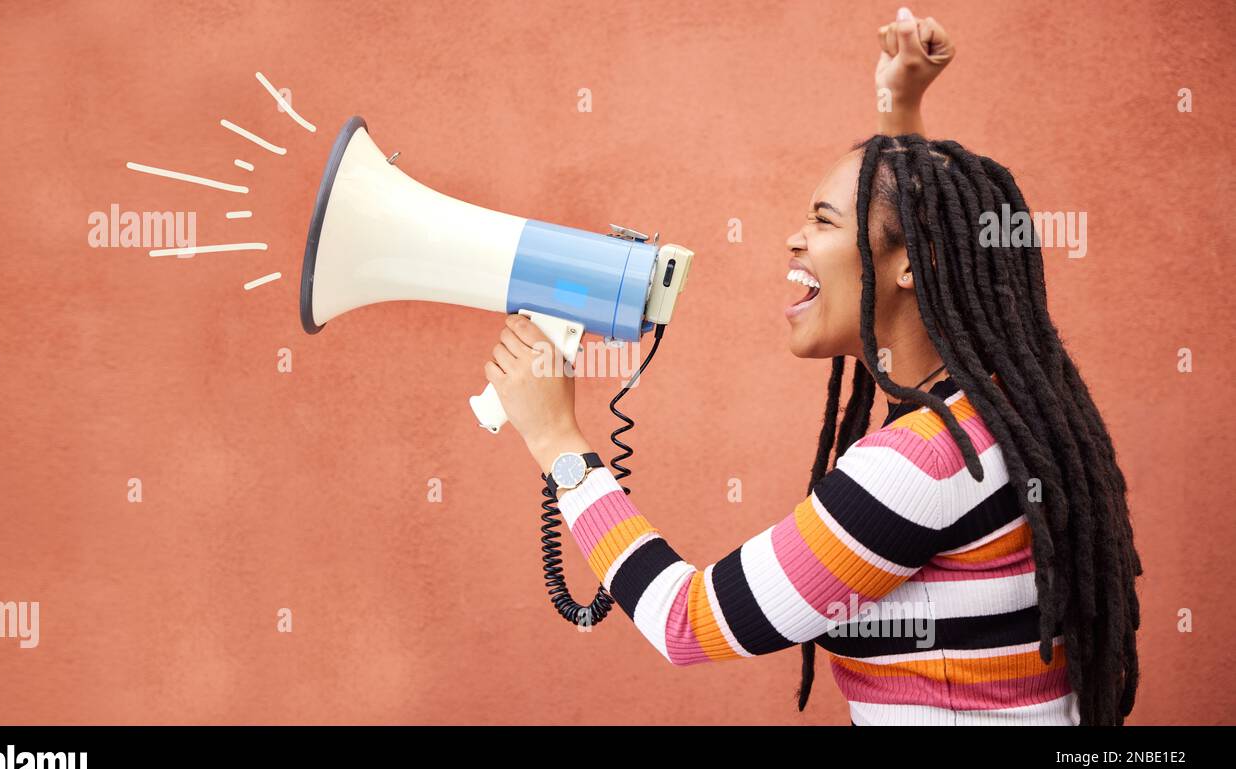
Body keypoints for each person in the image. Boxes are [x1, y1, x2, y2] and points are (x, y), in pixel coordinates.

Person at [481, 8, 1142, 726]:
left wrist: (559, 445)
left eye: (823, 221)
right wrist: (900, 104)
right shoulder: (992, 419)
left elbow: (687, 621)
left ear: (912, 266)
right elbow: (916, 233)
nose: (794, 238)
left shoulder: (921, 465)